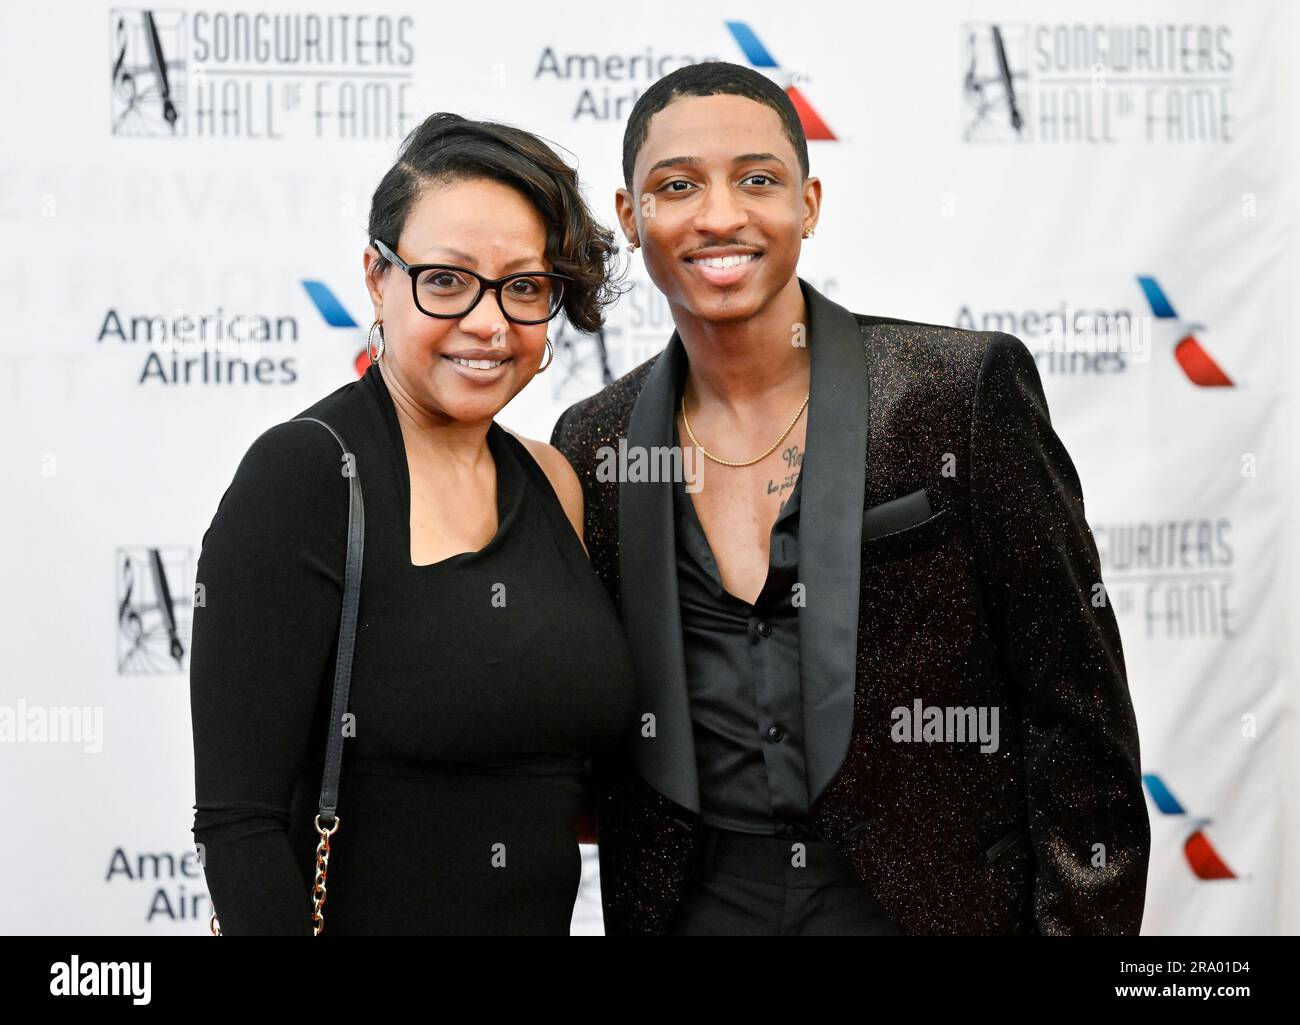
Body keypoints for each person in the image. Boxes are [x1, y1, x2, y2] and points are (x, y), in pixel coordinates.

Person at [551, 61, 1150, 935]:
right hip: (693, 908)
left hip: (930, 909)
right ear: (631, 216)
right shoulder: (594, 441)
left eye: (758, 179)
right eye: (677, 186)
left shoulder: (956, 392)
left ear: (810, 203)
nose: (720, 214)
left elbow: (1079, 713)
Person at [189, 112, 635, 935]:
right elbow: (237, 828)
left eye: (524, 287)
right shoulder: (307, 475)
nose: (489, 323)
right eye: (446, 279)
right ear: (377, 277)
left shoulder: (554, 481)